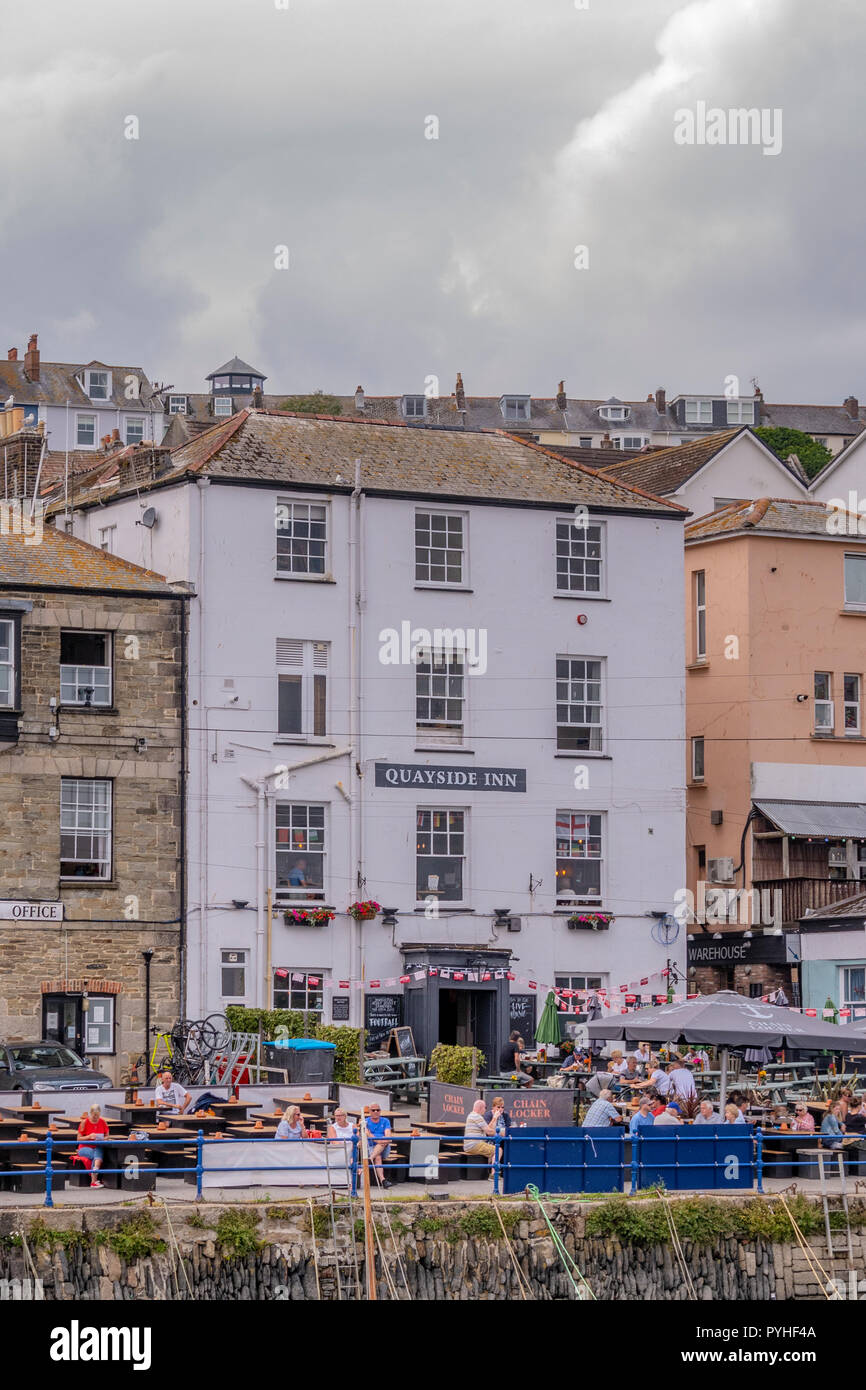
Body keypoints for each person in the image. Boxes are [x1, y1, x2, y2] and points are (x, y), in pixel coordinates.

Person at [77, 1104, 109, 1189]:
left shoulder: (103, 1122)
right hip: (84, 1148)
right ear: (90, 1113)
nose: (95, 1117)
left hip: (97, 1145)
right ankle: (94, 1181)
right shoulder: (84, 1122)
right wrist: (89, 1137)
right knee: (96, 1154)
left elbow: (107, 1136)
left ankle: (93, 1181)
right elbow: (78, 1139)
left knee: (98, 1150)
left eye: (97, 1115)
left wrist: (103, 1139)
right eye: (94, 1115)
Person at [365, 1104, 393, 1188]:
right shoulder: (365, 1121)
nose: (376, 1112)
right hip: (370, 1147)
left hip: (384, 1147)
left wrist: (382, 1140)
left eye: (378, 1110)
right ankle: (383, 1180)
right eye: (373, 1110)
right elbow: (367, 1134)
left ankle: (370, 1159)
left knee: (383, 1143)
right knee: (377, 1157)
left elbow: (388, 1135)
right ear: (369, 1112)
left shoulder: (385, 1121)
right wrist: (380, 1140)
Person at [463, 1099, 497, 1168]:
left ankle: (488, 1171)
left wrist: (494, 1118)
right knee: (498, 1150)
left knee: (491, 1148)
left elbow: (488, 1129)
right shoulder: (477, 1116)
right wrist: (501, 1134)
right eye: (485, 1108)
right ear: (480, 1108)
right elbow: (489, 1132)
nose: (485, 1110)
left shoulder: (471, 1115)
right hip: (475, 1144)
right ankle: (494, 1174)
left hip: (470, 1145)